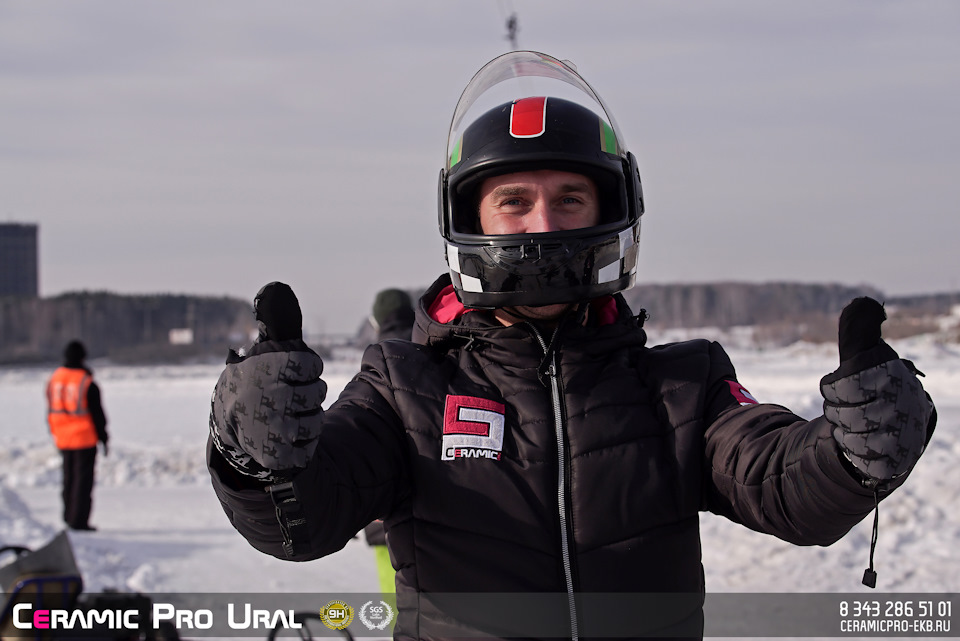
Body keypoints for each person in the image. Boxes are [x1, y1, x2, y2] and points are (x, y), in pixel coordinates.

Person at [207, 52, 936, 640]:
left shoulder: (681, 385)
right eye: (515, 201)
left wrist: (851, 450)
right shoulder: (405, 387)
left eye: (570, 199)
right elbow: (306, 518)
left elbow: (781, 479)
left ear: (611, 212)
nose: (543, 225)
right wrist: (255, 454)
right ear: (472, 216)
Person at [363, 288, 416, 595]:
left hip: (385, 509)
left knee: (396, 599)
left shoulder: (375, 359)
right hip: (441, 503)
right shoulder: (437, 345)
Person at [46, 340, 109, 532]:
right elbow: (98, 415)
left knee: (68, 479)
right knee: (82, 482)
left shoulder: (55, 379)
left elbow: (50, 409)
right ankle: (78, 521)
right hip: (84, 438)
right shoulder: (86, 382)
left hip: (63, 437)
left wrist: (54, 432)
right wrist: (104, 437)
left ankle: (68, 516)